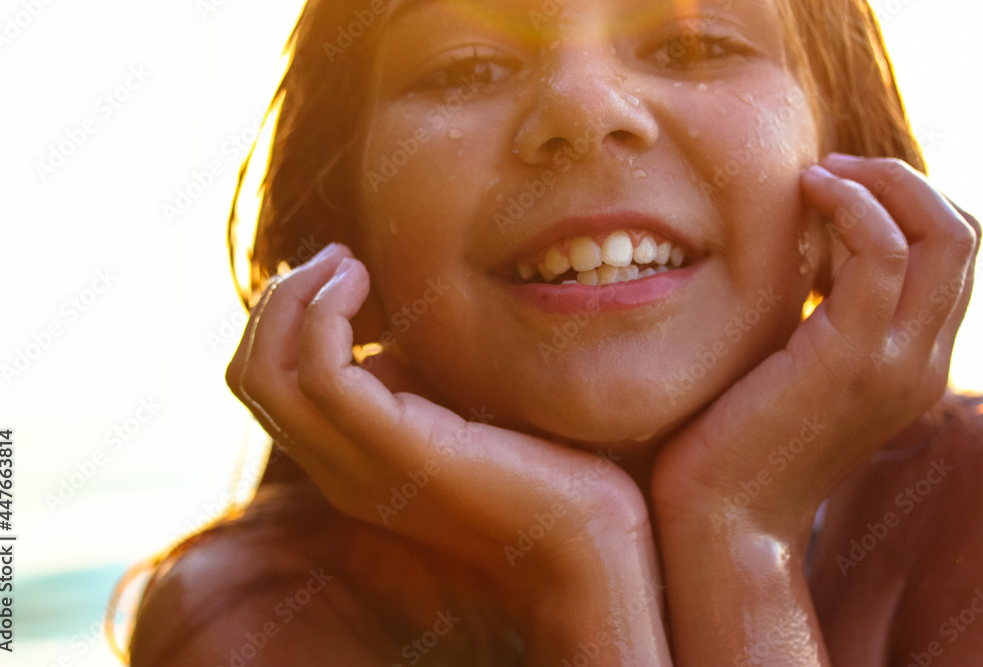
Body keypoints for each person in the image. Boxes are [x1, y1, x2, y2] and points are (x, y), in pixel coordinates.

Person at [121, 0, 983, 664]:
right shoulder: (255, 614)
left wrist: (735, 535)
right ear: (340, 235)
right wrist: (583, 565)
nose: (581, 107)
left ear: (859, 179)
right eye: (464, 68)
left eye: (693, 45)